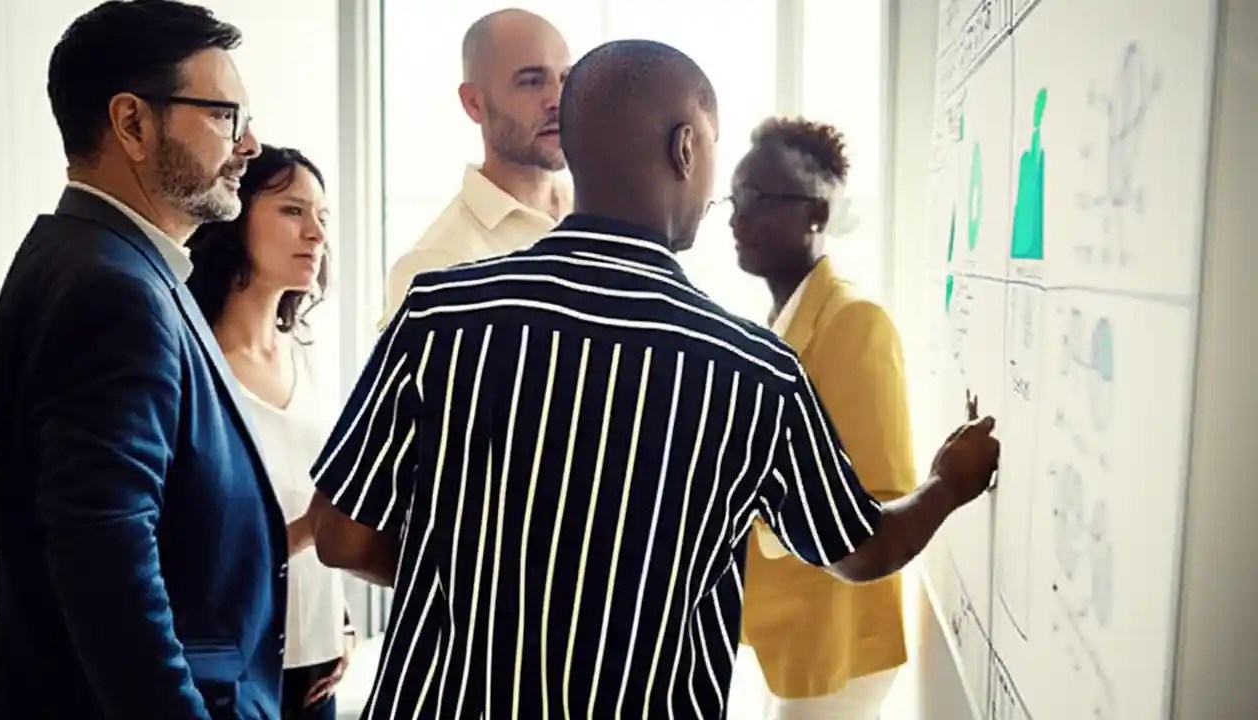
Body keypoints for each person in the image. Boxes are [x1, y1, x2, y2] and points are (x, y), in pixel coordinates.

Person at [305, 39, 999, 719]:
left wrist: (479, 577)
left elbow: (340, 536)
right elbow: (860, 549)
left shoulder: (438, 314)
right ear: (686, 148)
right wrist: (948, 484)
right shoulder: (753, 371)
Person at [0, 2, 287, 718]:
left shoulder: (94, 259)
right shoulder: (112, 289)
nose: (249, 146)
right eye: (225, 117)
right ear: (132, 124)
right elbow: (109, 568)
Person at [726, 118, 916, 719]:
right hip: (792, 628)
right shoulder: (778, 324)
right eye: (734, 199)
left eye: (757, 199)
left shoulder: (855, 322)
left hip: (838, 637)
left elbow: (881, 497)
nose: (736, 218)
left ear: (817, 214)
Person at [186, 144, 355, 720]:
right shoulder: (198, 363)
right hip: (237, 663)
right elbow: (198, 545)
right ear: (235, 213)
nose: (316, 233)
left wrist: (340, 618)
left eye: (323, 217)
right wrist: (312, 529)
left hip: (317, 661)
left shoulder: (304, 355)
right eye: (292, 211)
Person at [378, 7, 572, 328]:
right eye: (531, 82)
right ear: (474, 103)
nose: (556, 99)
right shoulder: (434, 268)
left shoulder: (606, 216)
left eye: (565, 78)